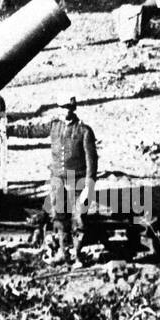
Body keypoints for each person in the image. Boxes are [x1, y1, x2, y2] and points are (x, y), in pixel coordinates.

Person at [14, 96, 98, 266]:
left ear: (73, 109)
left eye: (68, 107)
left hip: (77, 180)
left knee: (79, 218)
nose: (65, 111)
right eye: (61, 107)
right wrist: (5, 130)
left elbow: (92, 161)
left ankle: (78, 256)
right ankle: (62, 253)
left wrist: (89, 185)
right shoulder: (54, 126)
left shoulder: (84, 131)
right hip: (57, 180)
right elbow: (30, 131)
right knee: (59, 217)